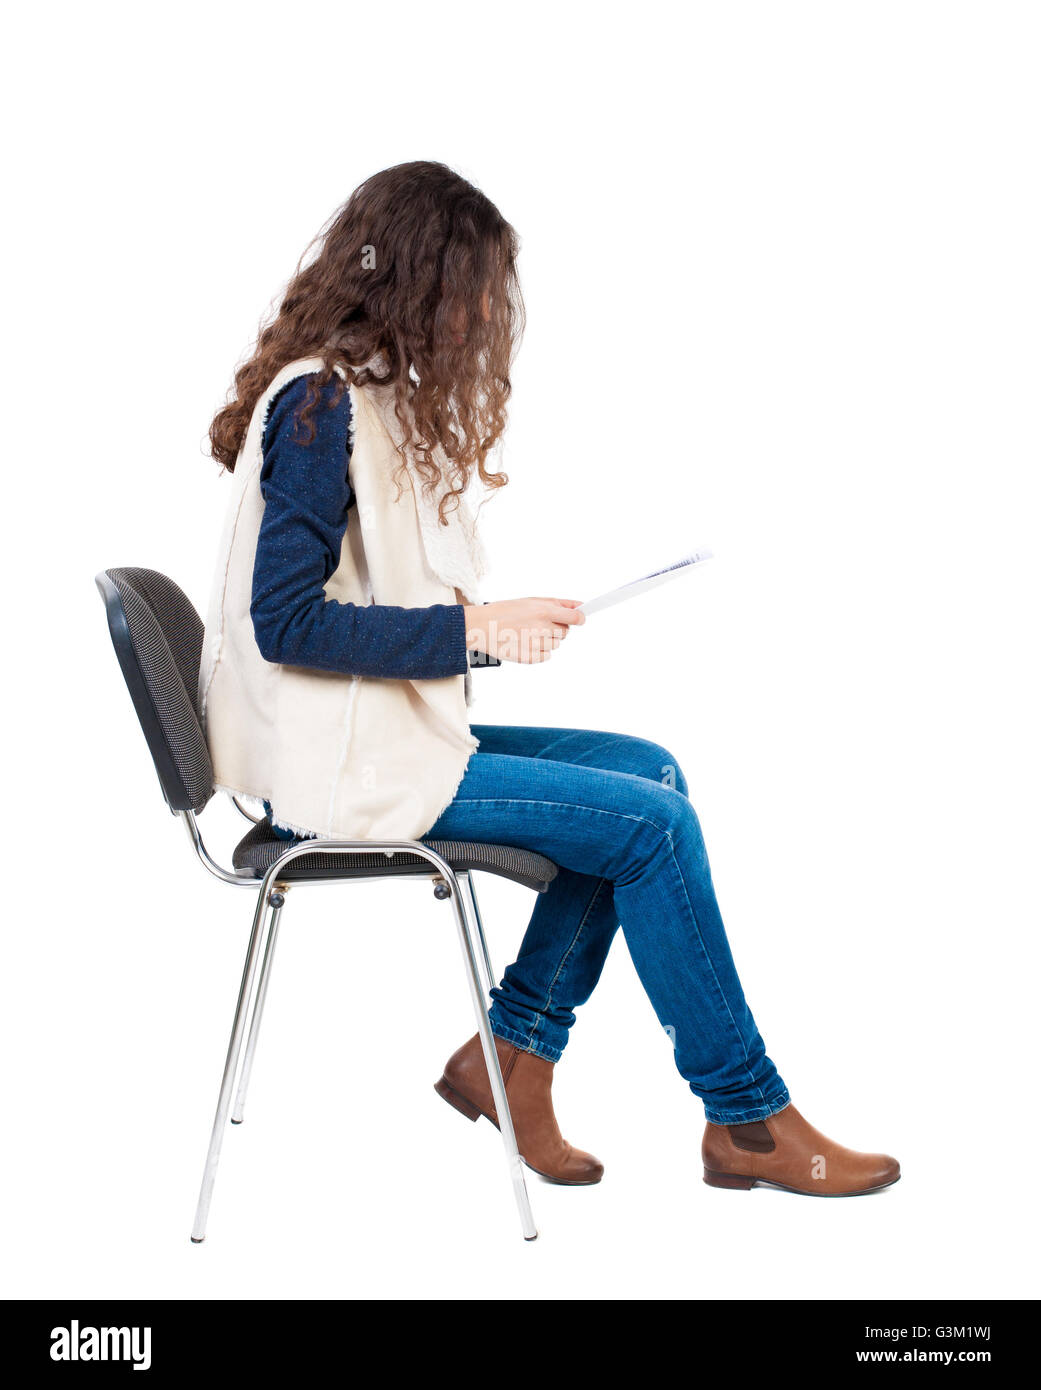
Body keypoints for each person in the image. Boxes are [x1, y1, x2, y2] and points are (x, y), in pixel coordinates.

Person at [203, 160, 899, 1198]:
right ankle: (744, 1113)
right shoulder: (319, 405)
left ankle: (512, 1058)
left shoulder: (364, 397)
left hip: (378, 735)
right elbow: (288, 623)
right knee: (652, 829)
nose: (488, 311)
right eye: (474, 286)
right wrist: (471, 627)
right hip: (336, 765)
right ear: (421, 281)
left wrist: (495, 629)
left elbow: (376, 598)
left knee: (649, 775)